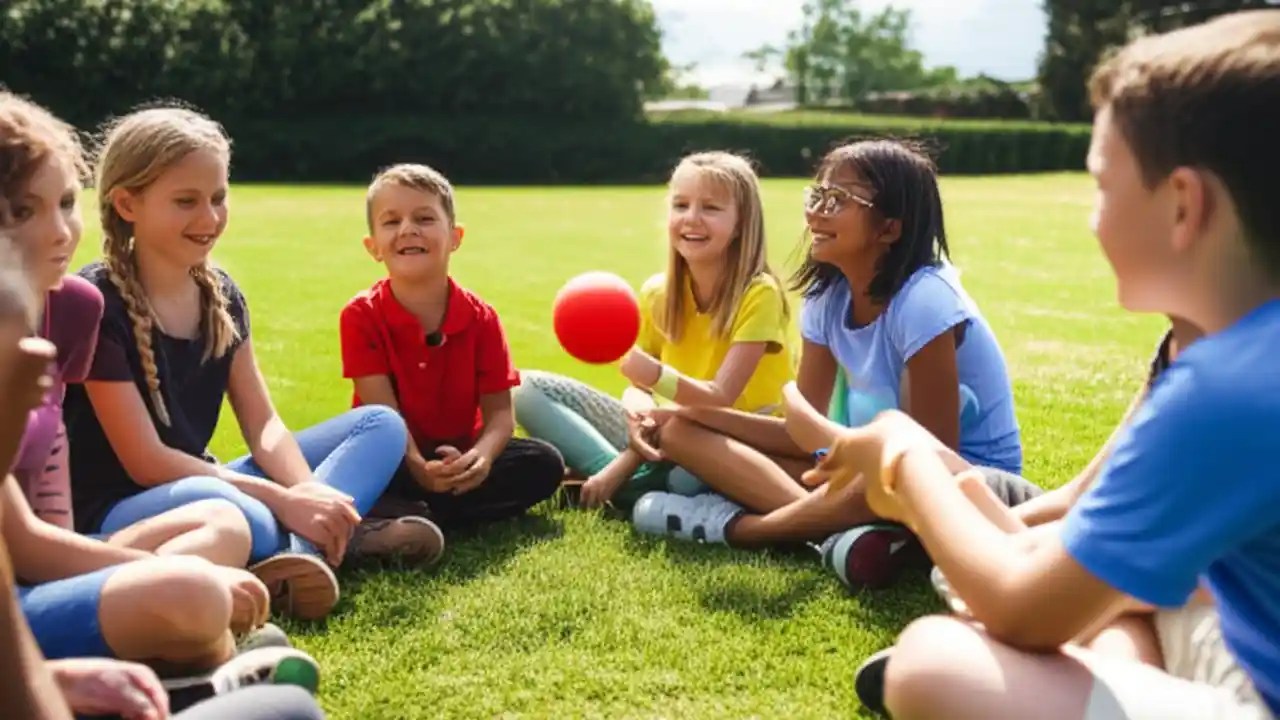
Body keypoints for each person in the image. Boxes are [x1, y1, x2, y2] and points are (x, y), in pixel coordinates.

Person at [814, 12, 1280, 718]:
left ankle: (1075, 670)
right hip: (1236, 638)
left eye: (1101, 185)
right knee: (1116, 580)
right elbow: (1083, 515)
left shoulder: (1229, 388)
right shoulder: (1227, 349)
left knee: (930, 665)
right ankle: (1095, 665)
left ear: (1184, 205)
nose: (1093, 217)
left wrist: (906, 457)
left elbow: (1021, 608)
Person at [62, 106, 429, 621]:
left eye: (218, 198)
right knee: (249, 515)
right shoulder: (98, 303)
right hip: (123, 507)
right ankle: (330, 540)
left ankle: (304, 554)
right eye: (185, 201)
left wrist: (306, 491)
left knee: (381, 425)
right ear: (127, 203)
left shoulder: (222, 296)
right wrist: (281, 501)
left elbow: (265, 426)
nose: (209, 219)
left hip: (202, 482)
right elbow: (146, 462)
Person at [630, 140, 1033, 590]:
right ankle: (841, 533)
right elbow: (800, 439)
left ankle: (746, 529)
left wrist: (813, 433)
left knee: (870, 485)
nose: (816, 213)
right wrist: (689, 414)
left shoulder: (926, 302)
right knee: (680, 431)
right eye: (816, 195)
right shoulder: (826, 298)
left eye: (837, 200)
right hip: (865, 471)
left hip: (961, 484)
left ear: (889, 229)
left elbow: (928, 463)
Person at [514, 150, 794, 510]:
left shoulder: (760, 294)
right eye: (680, 205)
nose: (691, 219)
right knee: (526, 388)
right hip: (665, 429)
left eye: (710, 208)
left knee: (686, 475)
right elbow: (638, 389)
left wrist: (653, 377)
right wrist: (636, 414)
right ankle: (625, 484)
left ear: (742, 223)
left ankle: (614, 483)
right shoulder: (656, 293)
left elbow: (720, 397)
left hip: (737, 441)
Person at [341, 163, 563, 536]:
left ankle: (416, 515)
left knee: (544, 463)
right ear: (373, 247)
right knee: (351, 465)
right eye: (391, 222)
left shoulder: (483, 318)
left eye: (424, 218)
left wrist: (481, 459)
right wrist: (418, 468)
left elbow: (500, 417)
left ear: (455, 236)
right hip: (394, 454)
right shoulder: (360, 315)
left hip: (460, 454)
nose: (408, 229)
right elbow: (384, 413)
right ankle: (425, 511)